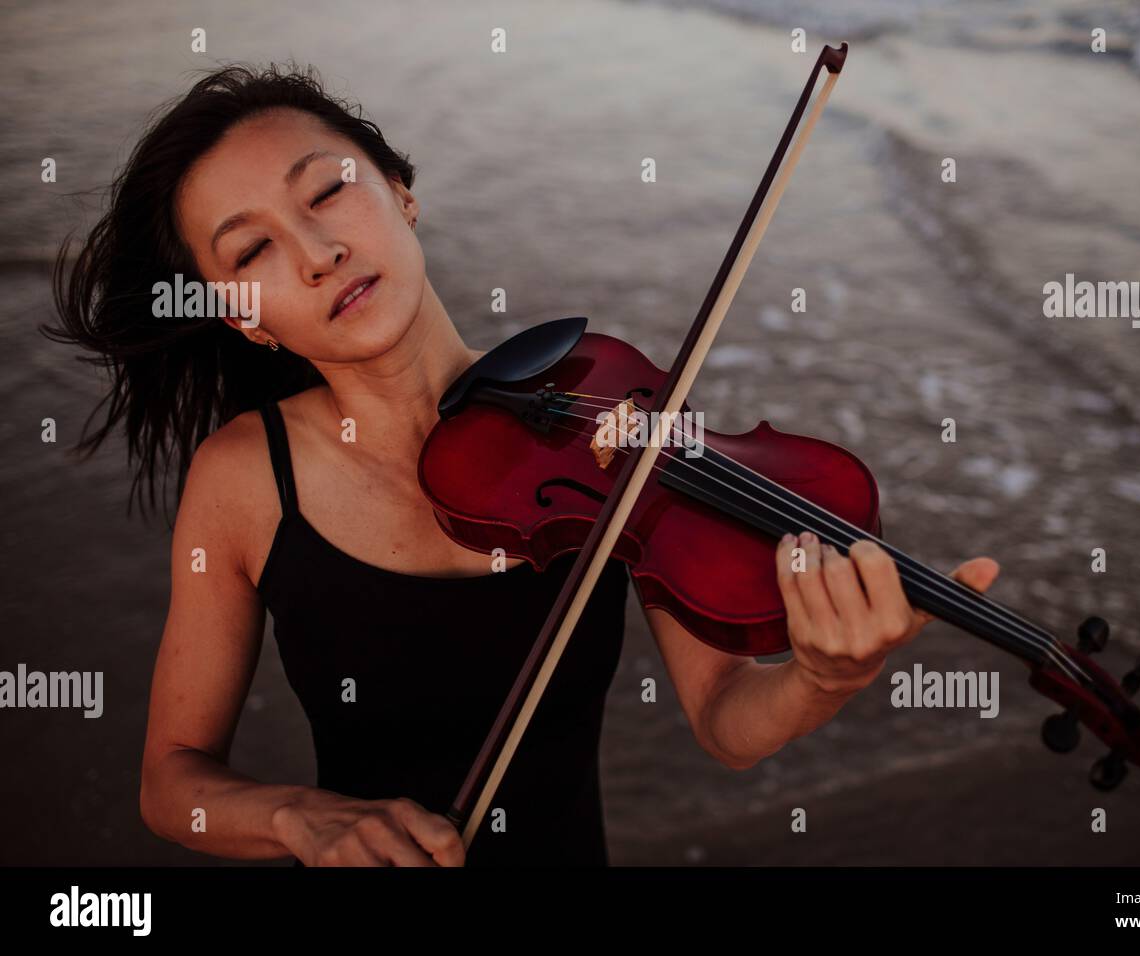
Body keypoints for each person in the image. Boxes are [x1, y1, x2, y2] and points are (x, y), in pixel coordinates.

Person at [43, 62, 1000, 867]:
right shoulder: (245, 480)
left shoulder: (612, 403)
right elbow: (173, 783)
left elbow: (724, 717)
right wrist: (302, 817)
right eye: (252, 248)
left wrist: (823, 677)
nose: (321, 252)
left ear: (400, 193)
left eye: (329, 189)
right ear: (242, 318)